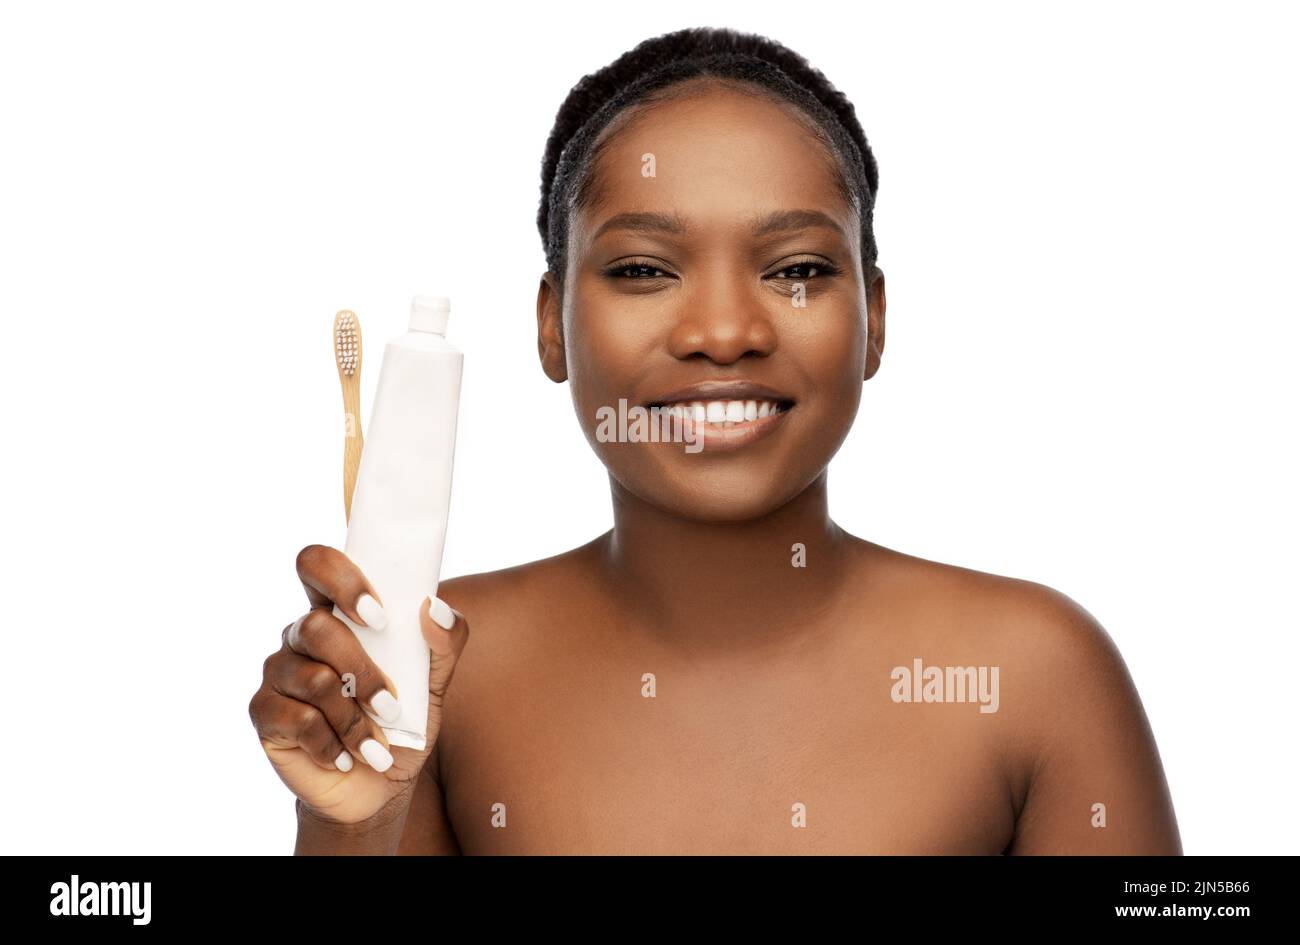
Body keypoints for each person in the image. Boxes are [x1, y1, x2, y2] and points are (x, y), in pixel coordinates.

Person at [250, 26, 1182, 854]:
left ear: (877, 320)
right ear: (551, 326)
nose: (724, 329)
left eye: (801, 268)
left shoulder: (1037, 675)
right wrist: (352, 828)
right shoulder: (423, 670)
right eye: (645, 268)